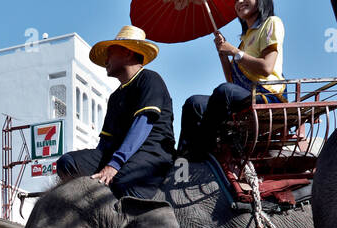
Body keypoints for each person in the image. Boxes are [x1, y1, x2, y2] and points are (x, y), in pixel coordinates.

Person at [55, 26, 176, 200]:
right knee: (67, 163)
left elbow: (143, 124)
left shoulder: (150, 79)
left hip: (152, 153)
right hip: (116, 154)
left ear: (128, 53)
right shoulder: (115, 97)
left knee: (122, 181)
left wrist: (115, 164)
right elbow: (105, 143)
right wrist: (96, 166)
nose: (106, 60)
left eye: (110, 53)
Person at [178, 0, 286, 161]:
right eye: (236, 0)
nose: (240, 2)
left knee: (224, 91)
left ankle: (201, 150)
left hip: (266, 96)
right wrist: (222, 53)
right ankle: (182, 156)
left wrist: (234, 52)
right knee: (194, 103)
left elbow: (266, 67)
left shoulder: (272, 22)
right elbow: (231, 81)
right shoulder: (245, 39)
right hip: (245, 95)